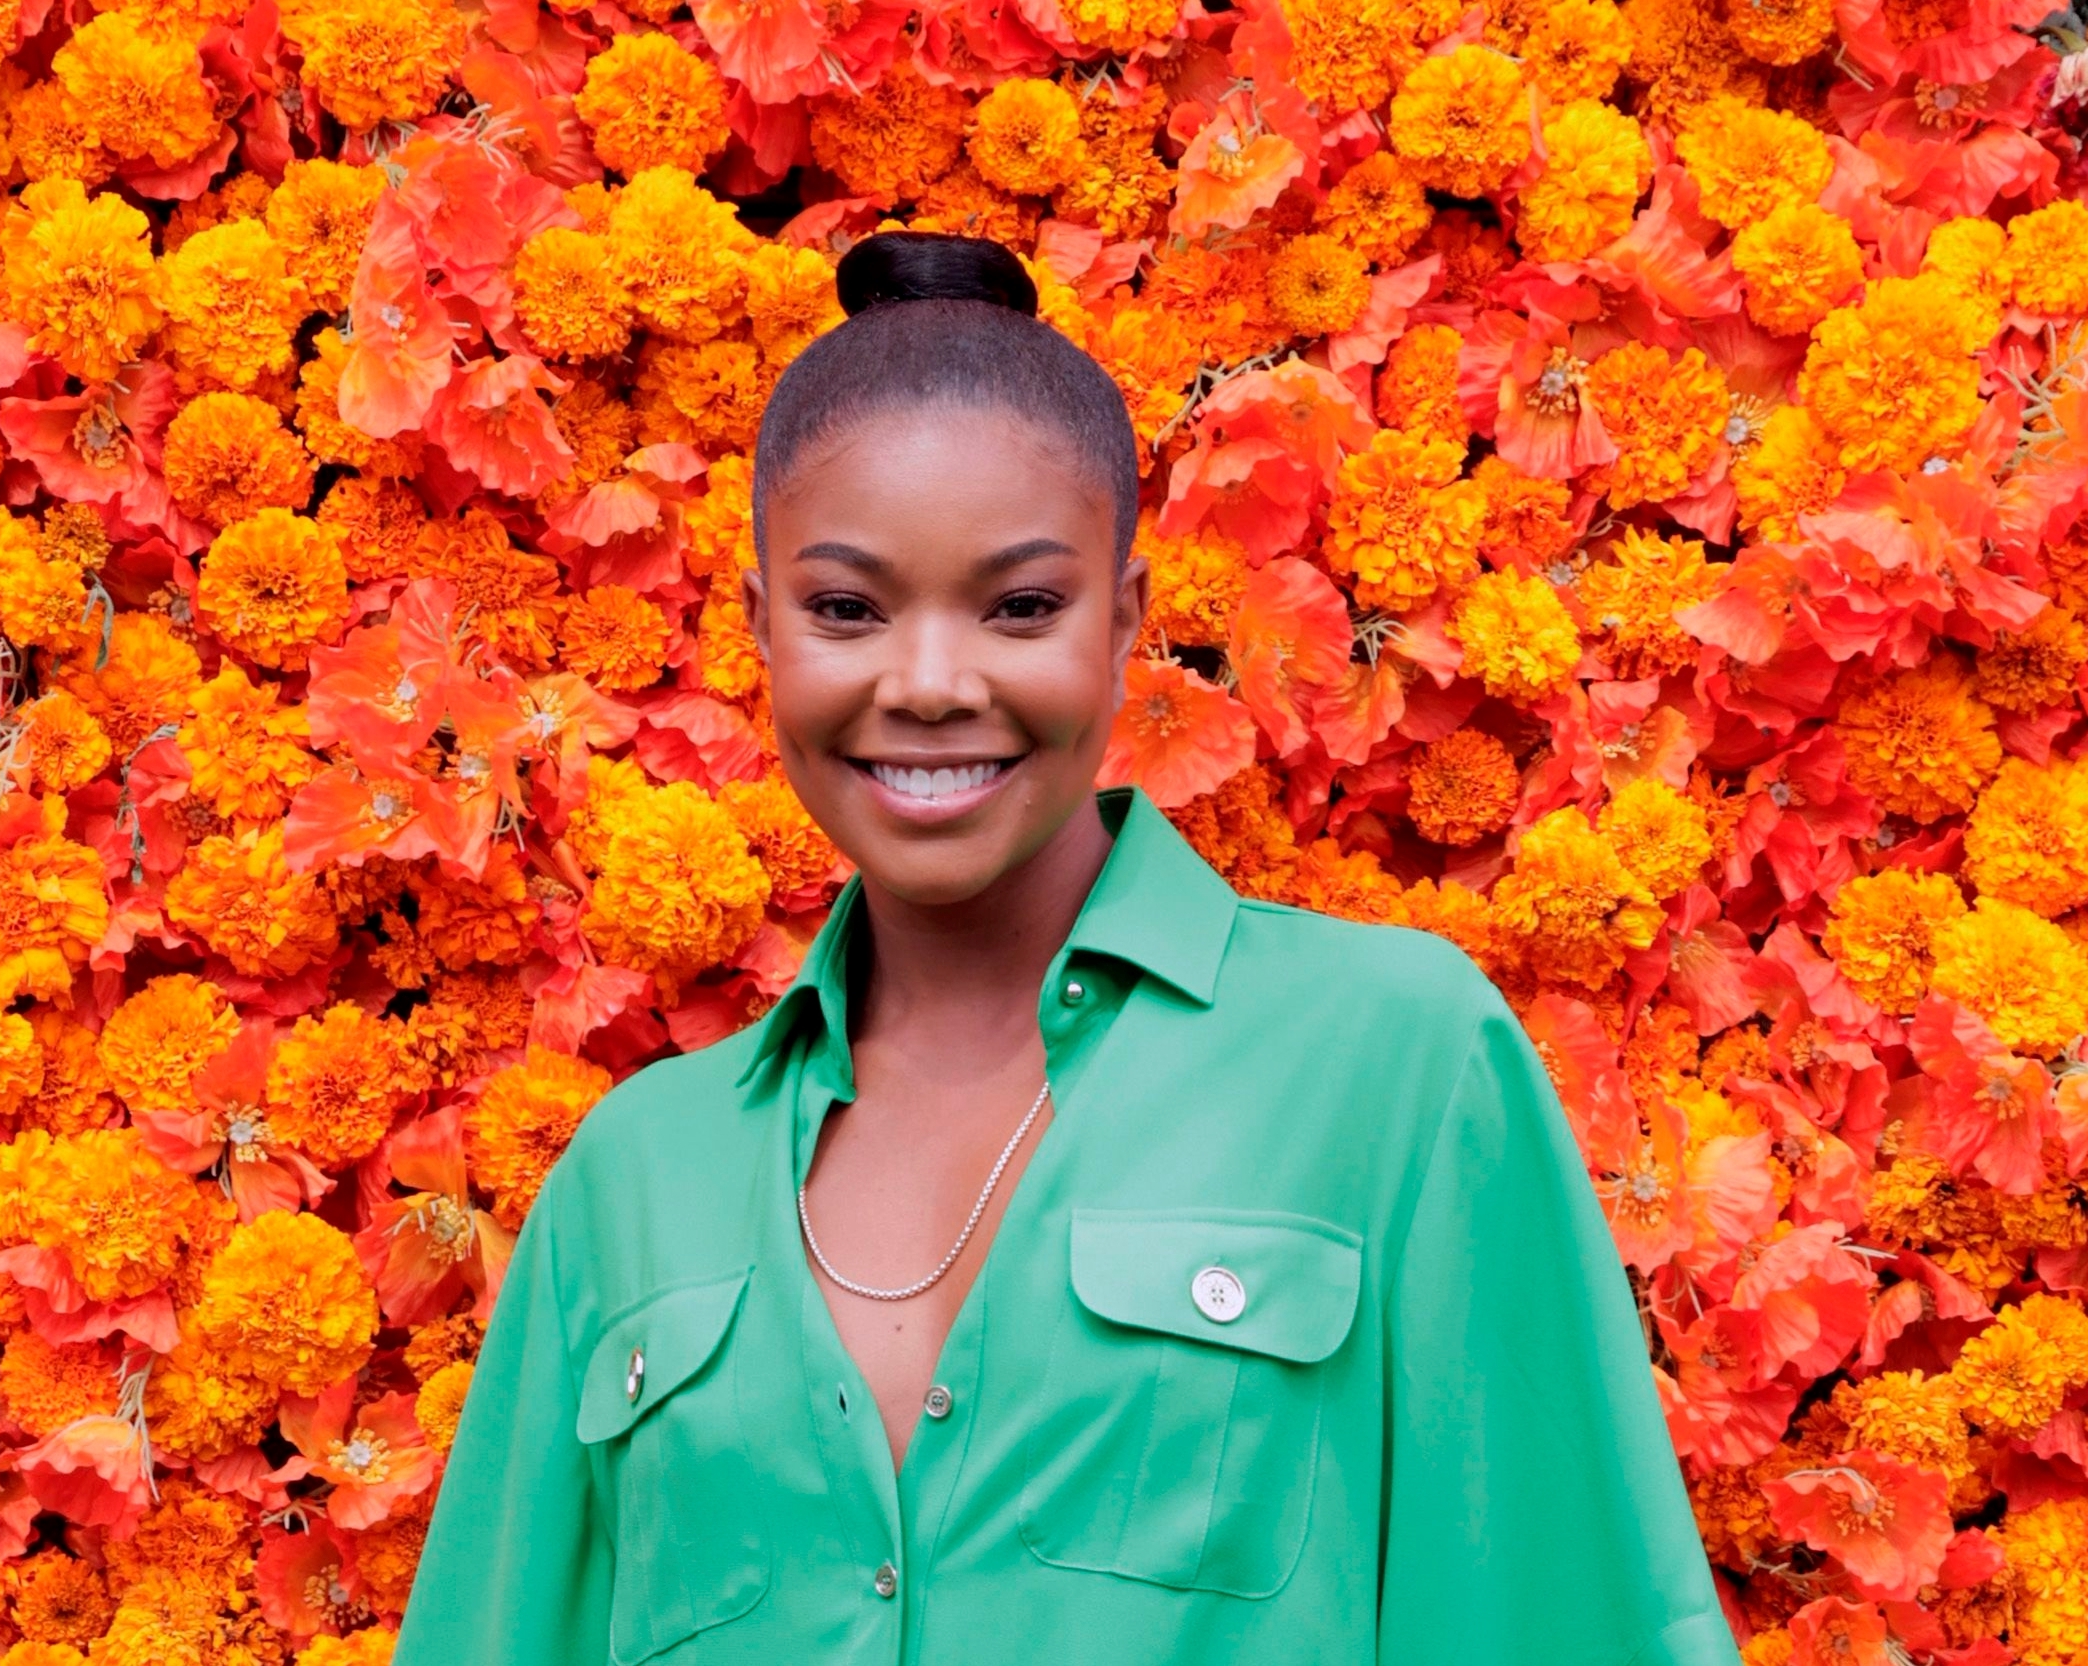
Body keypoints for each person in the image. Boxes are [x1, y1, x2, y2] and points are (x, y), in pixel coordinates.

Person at [393, 230, 1738, 1665]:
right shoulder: (631, 1180)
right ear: (763, 631)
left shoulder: (1396, 1064)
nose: (928, 684)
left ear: (1126, 624)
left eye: (1022, 606)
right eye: (846, 609)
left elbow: (1564, 1618)